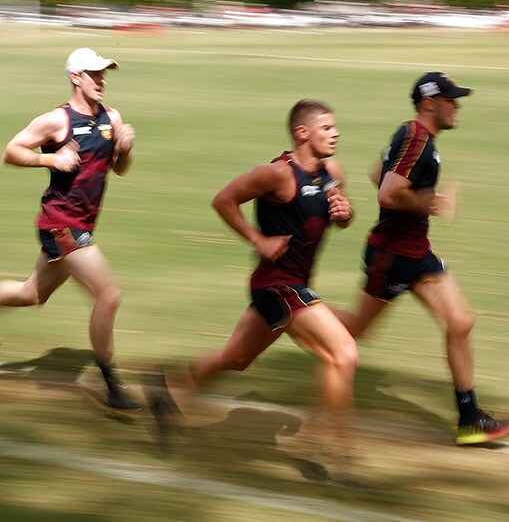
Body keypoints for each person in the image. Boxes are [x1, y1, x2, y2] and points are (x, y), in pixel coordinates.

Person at [147, 100, 358, 460]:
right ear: (302, 133)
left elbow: (338, 208)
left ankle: (167, 391)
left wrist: (346, 214)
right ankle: (332, 450)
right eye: (327, 128)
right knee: (343, 354)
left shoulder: (331, 171)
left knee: (237, 358)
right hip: (278, 285)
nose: (335, 133)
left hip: (291, 284)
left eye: (335, 127)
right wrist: (257, 238)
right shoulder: (277, 174)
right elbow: (224, 199)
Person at [334, 72, 509, 446]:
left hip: (417, 251)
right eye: (451, 99)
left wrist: (417, 202)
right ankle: (289, 313)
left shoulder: (415, 137)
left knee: (461, 322)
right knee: (353, 331)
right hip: (391, 254)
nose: (458, 106)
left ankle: (470, 419)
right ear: (429, 104)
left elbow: (377, 173)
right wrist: (427, 202)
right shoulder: (416, 137)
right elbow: (387, 194)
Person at [0, 47, 141, 413]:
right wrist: (50, 158)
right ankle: (111, 383)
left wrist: (125, 149)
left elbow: (120, 169)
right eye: (94, 74)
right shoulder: (56, 121)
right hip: (61, 224)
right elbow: (11, 151)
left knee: (32, 294)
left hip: (80, 222)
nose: (102, 80)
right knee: (108, 296)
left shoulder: (112, 117)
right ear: (75, 77)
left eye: (104, 73)